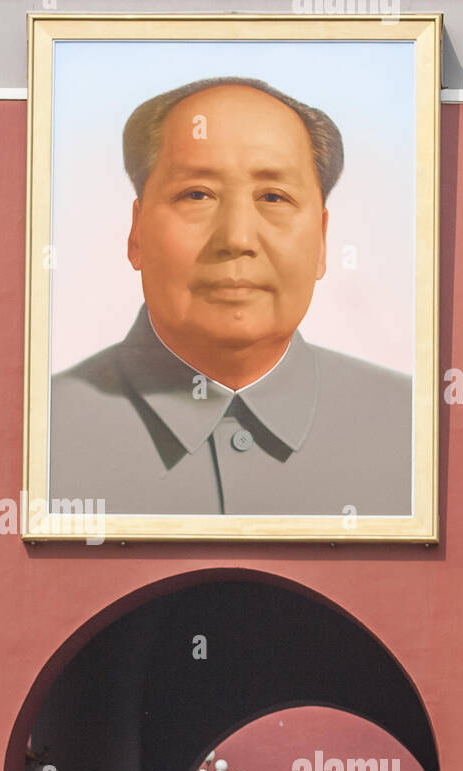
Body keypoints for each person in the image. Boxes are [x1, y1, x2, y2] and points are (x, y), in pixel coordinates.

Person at [50, 77, 412, 517]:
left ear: (321, 239)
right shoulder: (39, 432)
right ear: (136, 233)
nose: (237, 238)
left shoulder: (415, 429)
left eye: (274, 197)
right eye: (197, 194)